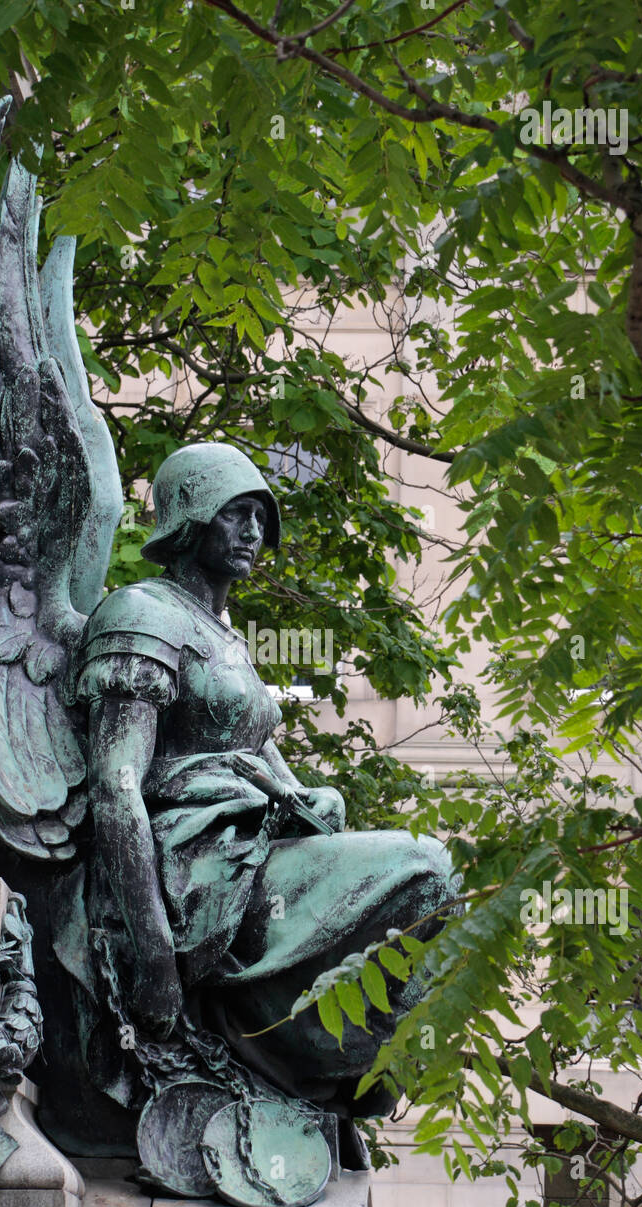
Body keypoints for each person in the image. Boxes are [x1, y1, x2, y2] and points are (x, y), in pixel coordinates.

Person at [70, 442, 458, 1134]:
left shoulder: (222, 635)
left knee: (429, 885)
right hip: (194, 864)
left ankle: (324, 1062)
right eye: (237, 514)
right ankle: (312, 1054)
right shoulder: (141, 615)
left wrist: (310, 801)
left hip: (252, 846)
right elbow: (115, 785)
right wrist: (154, 951)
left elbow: (263, 760)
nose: (253, 533)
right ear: (191, 517)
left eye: (261, 518)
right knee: (423, 870)